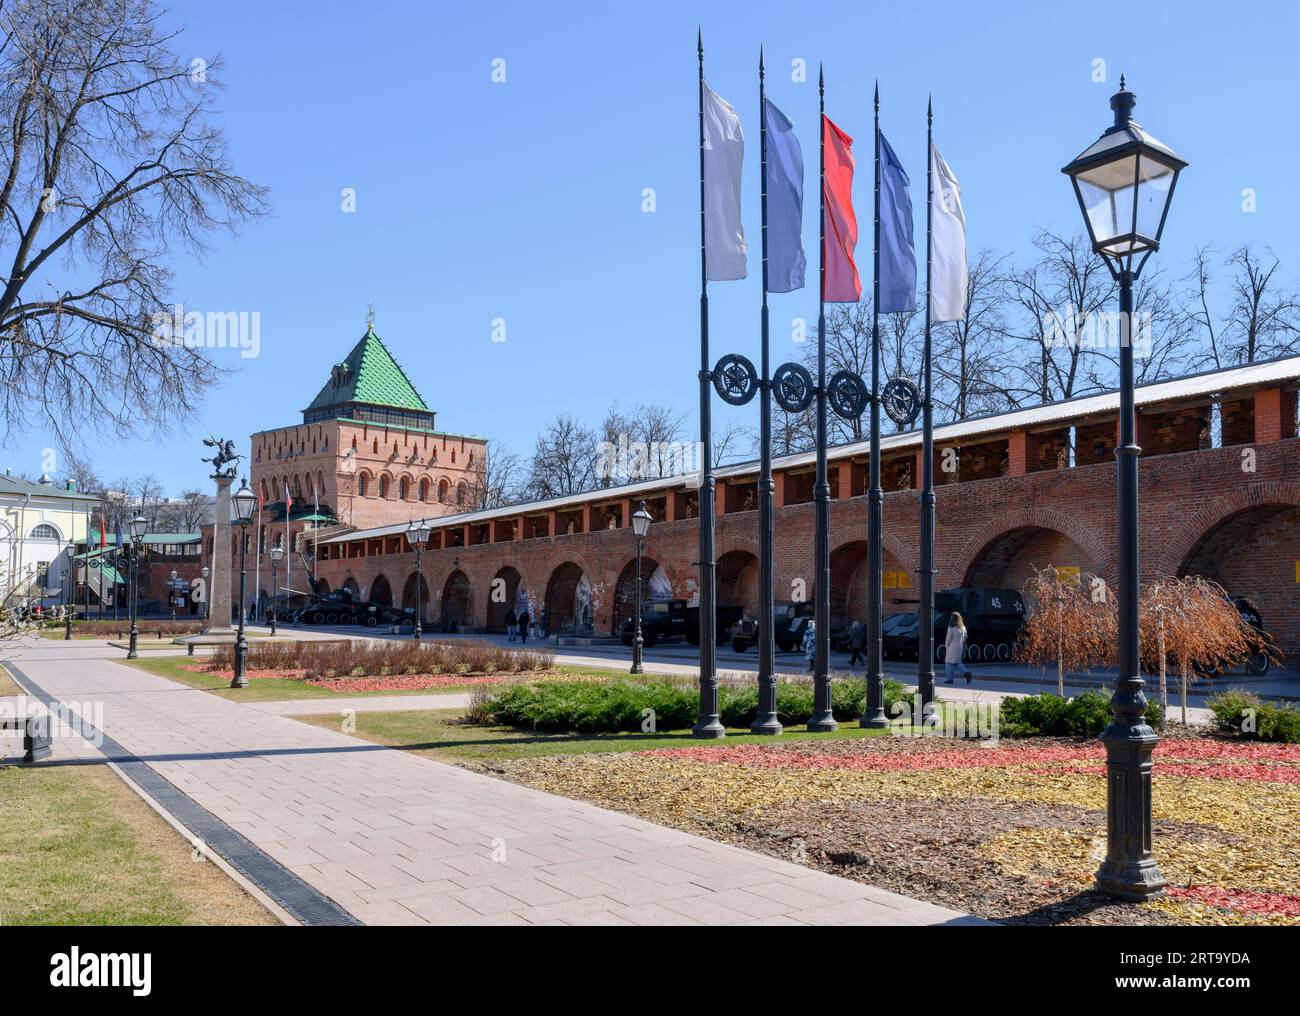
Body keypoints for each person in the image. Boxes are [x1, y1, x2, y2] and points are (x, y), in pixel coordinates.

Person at [944, 611, 972, 685]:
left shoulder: (951, 627)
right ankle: (966, 673)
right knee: (957, 662)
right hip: (960, 647)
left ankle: (950, 679)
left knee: (948, 663)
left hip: (951, 647)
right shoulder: (963, 627)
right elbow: (965, 637)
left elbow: (948, 638)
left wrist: (946, 645)